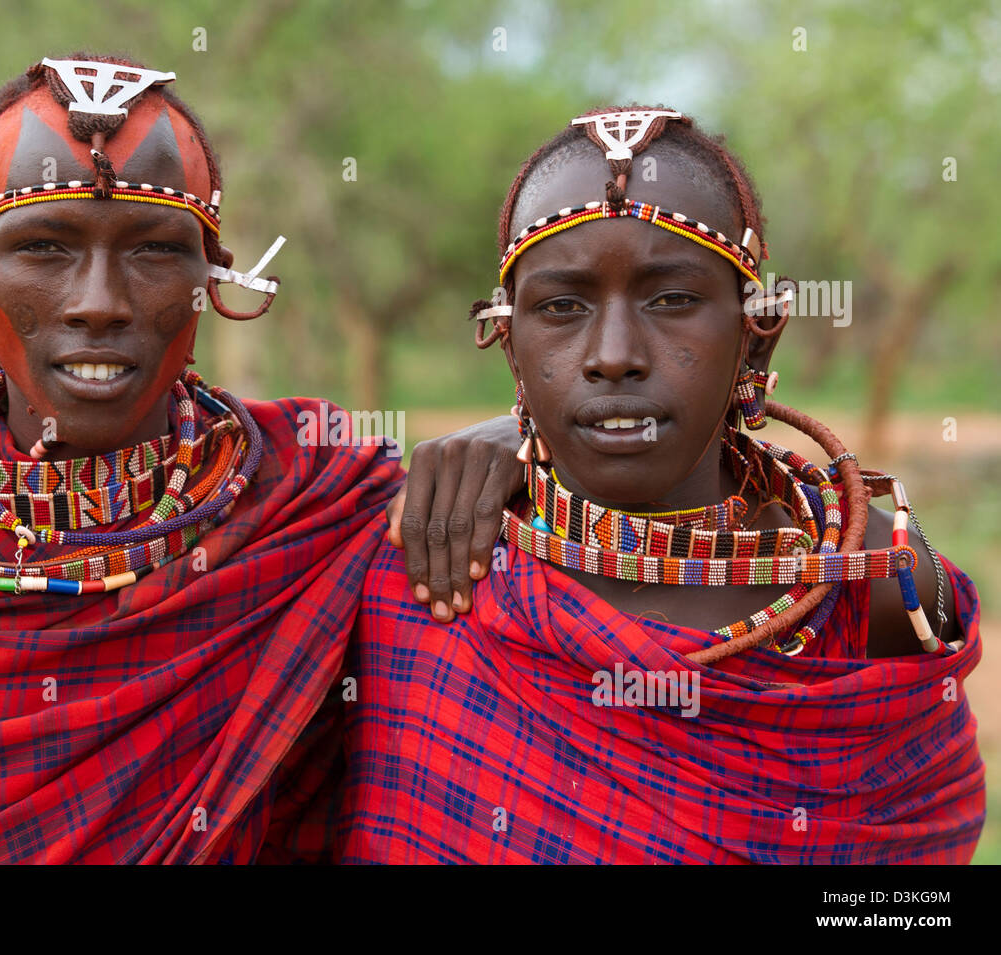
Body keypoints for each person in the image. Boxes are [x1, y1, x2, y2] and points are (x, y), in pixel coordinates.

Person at [0, 53, 519, 864]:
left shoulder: (310, 492)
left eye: (154, 252)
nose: (100, 303)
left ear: (212, 278)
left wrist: (516, 436)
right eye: (44, 248)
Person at [336, 107, 985, 864]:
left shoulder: (868, 576)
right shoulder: (420, 565)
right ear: (510, 341)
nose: (614, 356)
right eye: (561, 307)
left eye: (672, 299)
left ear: (757, 332)